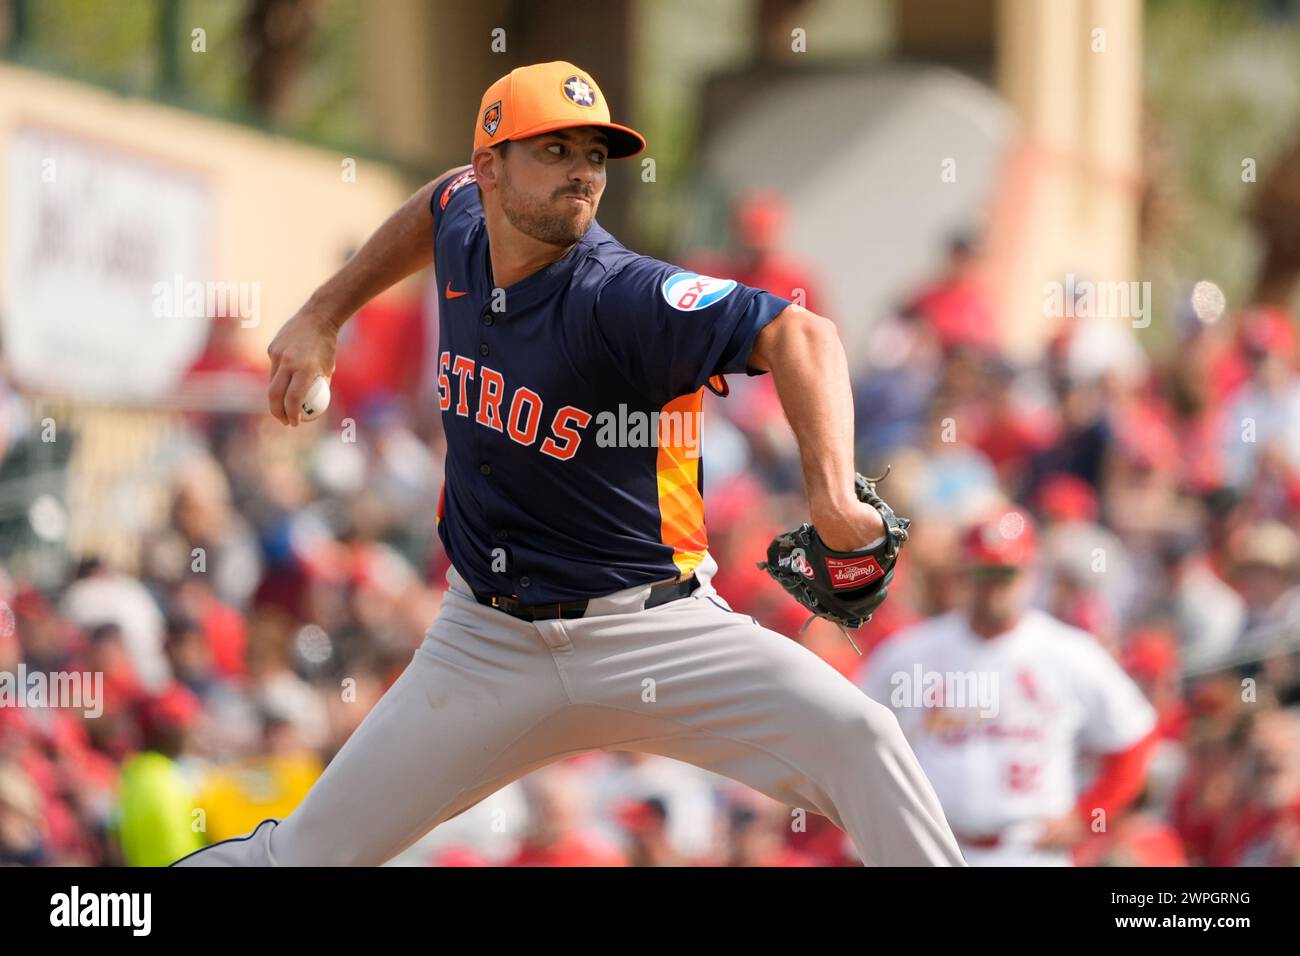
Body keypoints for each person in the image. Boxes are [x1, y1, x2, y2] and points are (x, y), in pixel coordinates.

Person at [174, 61, 963, 867]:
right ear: (491, 168)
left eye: (594, 153)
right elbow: (437, 198)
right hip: (486, 643)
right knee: (299, 857)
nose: (583, 170)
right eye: (554, 150)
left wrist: (831, 496)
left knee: (865, 738)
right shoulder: (463, 220)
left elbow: (804, 335)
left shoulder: (622, 293)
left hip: (655, 631)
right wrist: (322, 313)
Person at [858, 508, 1158, 865]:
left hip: (1029, 851)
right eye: (983, 573)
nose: (993, 589)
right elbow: (853, 734)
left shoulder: (1069, 652)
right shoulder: (910, 653)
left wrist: (1089, 816)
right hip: (934, 846)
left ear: (1030, 574)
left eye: (1005, 574)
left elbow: (1134, 738)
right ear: (963, 574)